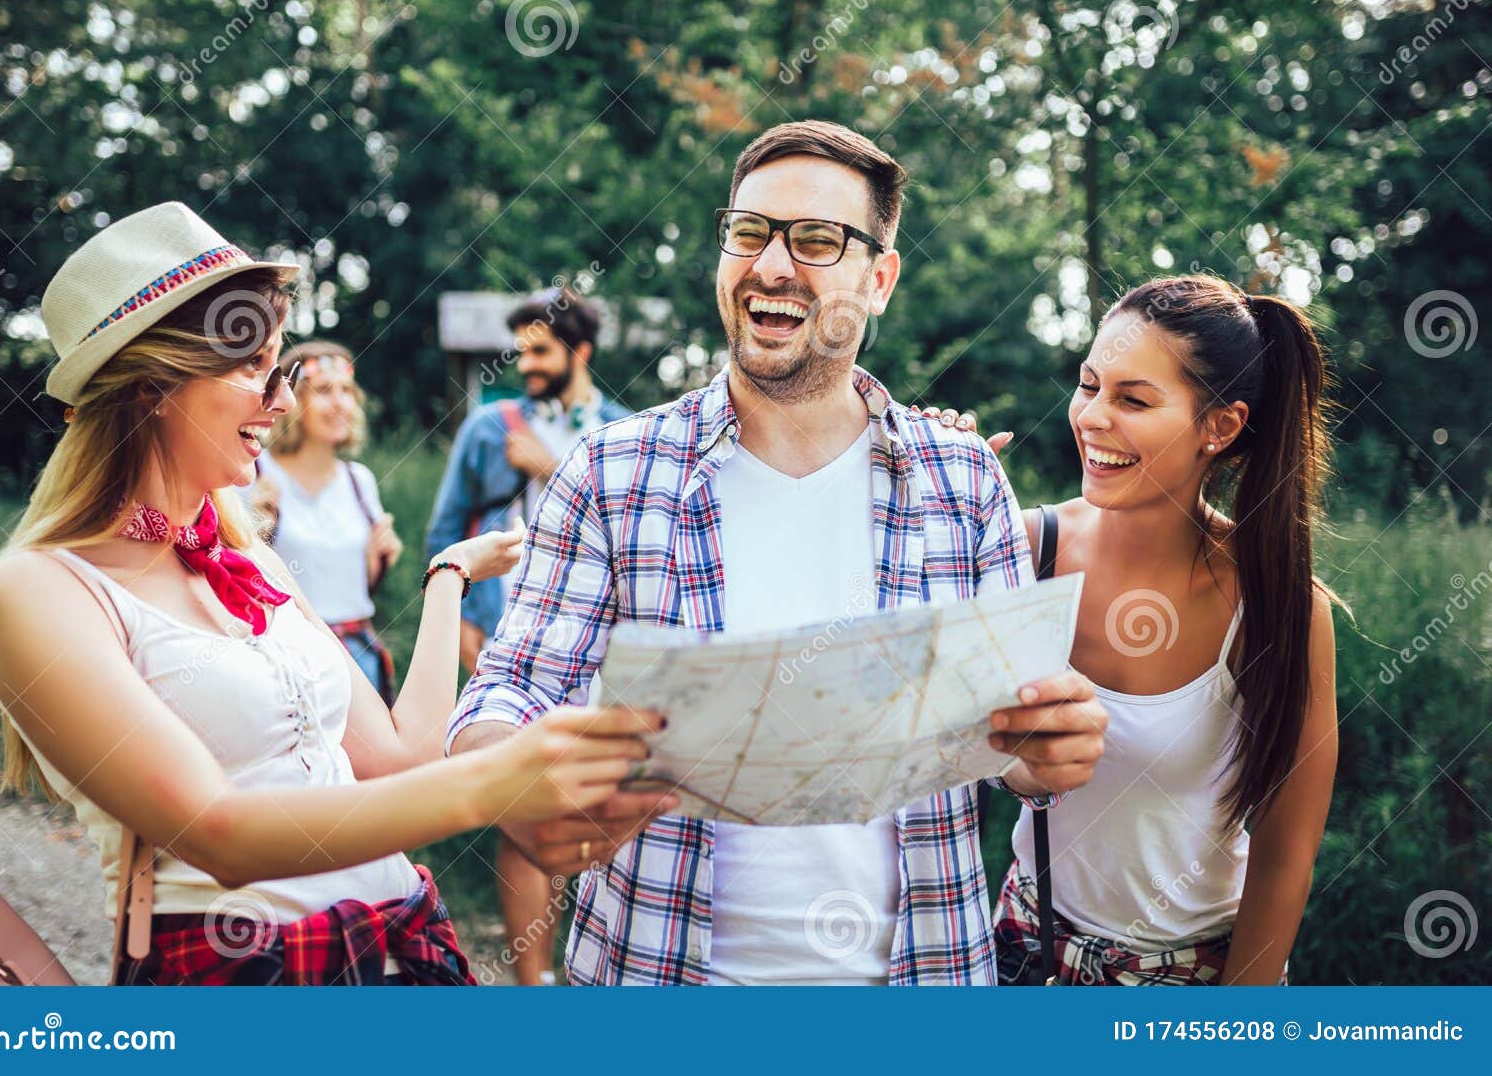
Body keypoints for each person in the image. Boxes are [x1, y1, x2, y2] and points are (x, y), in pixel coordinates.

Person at [446, 121, 1109, 986]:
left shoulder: (965, 478)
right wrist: (517, 772)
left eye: (817, 240)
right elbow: (510, 688)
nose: (770, 265)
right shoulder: (614, 470)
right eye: (749, 230)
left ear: (879, 280)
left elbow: (1010, 744)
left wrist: (1046, 753)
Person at [0, 202, 665, 986]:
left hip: (403, 950)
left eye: (282, 368)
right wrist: (495, 786)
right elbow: (222, 833)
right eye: (252, 367)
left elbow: (401, 758)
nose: (284, 400)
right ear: (149, 388)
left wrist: (448, 578)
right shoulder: (39, 588)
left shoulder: (250, 559)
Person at [972, 275, 1339, 985]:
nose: (1092, 416)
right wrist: (938, 499)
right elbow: (901, 720)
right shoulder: (1020, 552)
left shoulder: (1277, 607)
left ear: (1220, 427)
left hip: (1190, 977)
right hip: (1022, 953)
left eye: (1133, 398)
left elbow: (1286, 855)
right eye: (1088, 385)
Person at [425, 285, 630, 984]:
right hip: (514, 647)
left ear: (581, 351)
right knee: (525, 809)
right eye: (521, 349)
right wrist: (462, 637)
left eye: (540, 349)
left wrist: (548, 468)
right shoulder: (489, 426)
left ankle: (593, 964)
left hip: (606, 655)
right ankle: (532, 980)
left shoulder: (622, 430)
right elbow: (443, 532)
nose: (527, 362)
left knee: (597, 810)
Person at [245, 341, 404, 703]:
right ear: (291, 400)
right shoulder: (256, 475)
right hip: (287, 657)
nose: (340, 403)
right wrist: (258, 530)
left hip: (359, 657)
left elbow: (355, 582)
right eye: (323, 390)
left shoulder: (358, 481)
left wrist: (378, 560)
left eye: (347, 391)